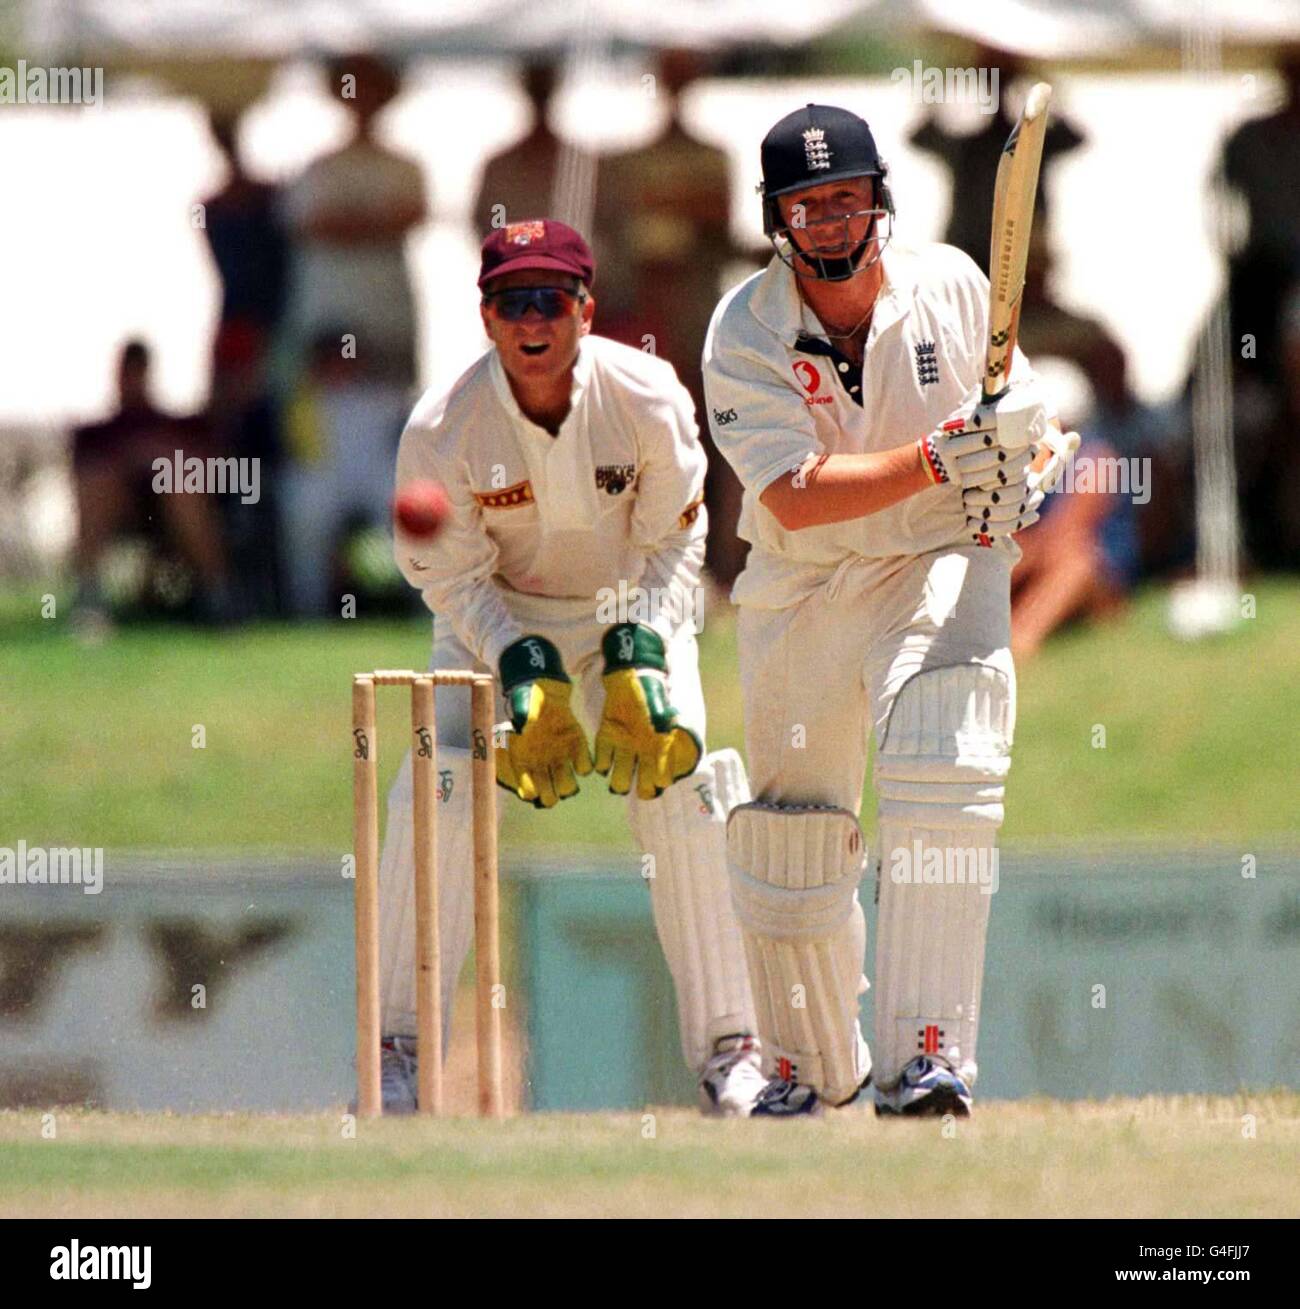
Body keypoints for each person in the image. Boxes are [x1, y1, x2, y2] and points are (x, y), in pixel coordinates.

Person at [702, 104, 1074, 1117]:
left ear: (879, 201)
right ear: (775, 219)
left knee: (944, 758)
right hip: (802, 580)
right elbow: (793, 493)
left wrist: (1026, 475)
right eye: (805, 205)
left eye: (845, 199)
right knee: (792, 836)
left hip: (937, 555)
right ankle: (805, 1064)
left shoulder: (951, 283)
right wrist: (938, 458)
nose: (828, 221)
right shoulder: (743, 330)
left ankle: (928, 1054)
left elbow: (1029, 419)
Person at [377, 219, 762, 1115]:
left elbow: (678, 540)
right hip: (495, 621)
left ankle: (732, 1053)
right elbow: (452, 575)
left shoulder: (650, 396)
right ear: (485, 317)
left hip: (631, 610)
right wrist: (521, 662)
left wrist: (643, 653)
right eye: (513, 302)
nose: (533, 319)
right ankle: (395, 1054)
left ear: (587, 310)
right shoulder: (442, 426)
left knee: (684, 779)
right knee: (438, 780)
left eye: (552, 298)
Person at [70, 340, 234, 637]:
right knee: (99, 481)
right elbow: (85, 470)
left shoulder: (177, 425)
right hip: (121, 512)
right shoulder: (97, 433)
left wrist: (160, 456)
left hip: (176, 511)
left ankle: (218, 596)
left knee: (180, 480)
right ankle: (89, 597)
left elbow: (213, 464)